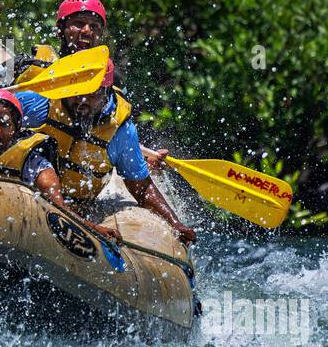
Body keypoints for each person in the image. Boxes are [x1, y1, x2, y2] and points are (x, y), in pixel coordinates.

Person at [15, 59, 196, 244]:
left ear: (106, 93)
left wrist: (175, 223)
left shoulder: (120, 131)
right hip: (28, 195)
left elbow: (142, 188)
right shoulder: (44, 101)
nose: (81, 102)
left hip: (75, 211)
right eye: (76, 92)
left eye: (91, 94)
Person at [0, 89, 120, 241]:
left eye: (5, 124)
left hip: (12, 232)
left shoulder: (34, 164)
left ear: (16, 128)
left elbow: (59, 209)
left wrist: (93, 228)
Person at [6, 0, 109, 86]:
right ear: (60, 30)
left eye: (94, 26)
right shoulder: (25, 64)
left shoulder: (108, 78)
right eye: (79, 23)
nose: (87, 31)